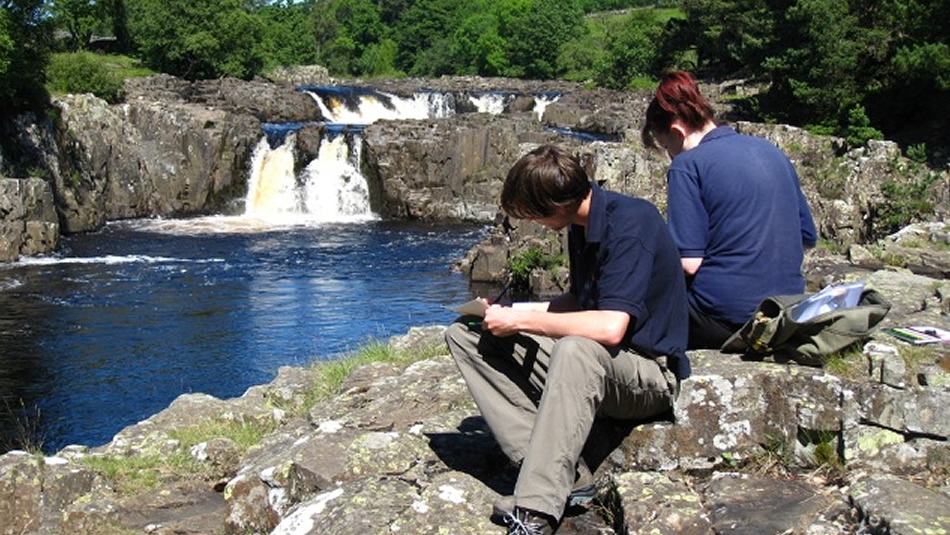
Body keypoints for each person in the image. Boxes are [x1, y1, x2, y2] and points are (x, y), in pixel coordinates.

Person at [444, 145, 690, 535]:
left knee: (576, 348)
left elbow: (611, 327)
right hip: (603, 363)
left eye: (530, 211)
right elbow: (578, 302)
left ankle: (537, 508)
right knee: (468, 335)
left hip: (649, 374)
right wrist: (508, 311)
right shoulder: (579, 225)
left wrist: (522, 320)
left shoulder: (631, 224)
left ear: (553, 204)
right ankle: (562, 470)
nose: (529, 220)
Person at [642, 70, 818, 349]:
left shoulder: (687, 166)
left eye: (666, 146)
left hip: (726, 320)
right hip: (785, 310)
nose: (669, 155)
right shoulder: (772, 152)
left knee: (633, 301)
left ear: (677, 131)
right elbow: (807, 238)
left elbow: (688, 264)